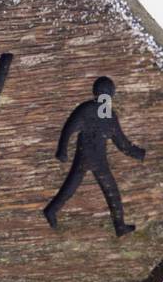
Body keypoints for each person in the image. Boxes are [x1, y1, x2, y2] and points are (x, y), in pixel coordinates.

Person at [43, 76, 145, 237]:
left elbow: (69, 129)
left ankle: (51, 210)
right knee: (110, 191)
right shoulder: (103, 113)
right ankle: (118, 225)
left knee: (73, 186)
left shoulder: (91, 110)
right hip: (95, 159)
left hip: (90, 156)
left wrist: (62, 150)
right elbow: (122, 143)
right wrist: (137, 153)